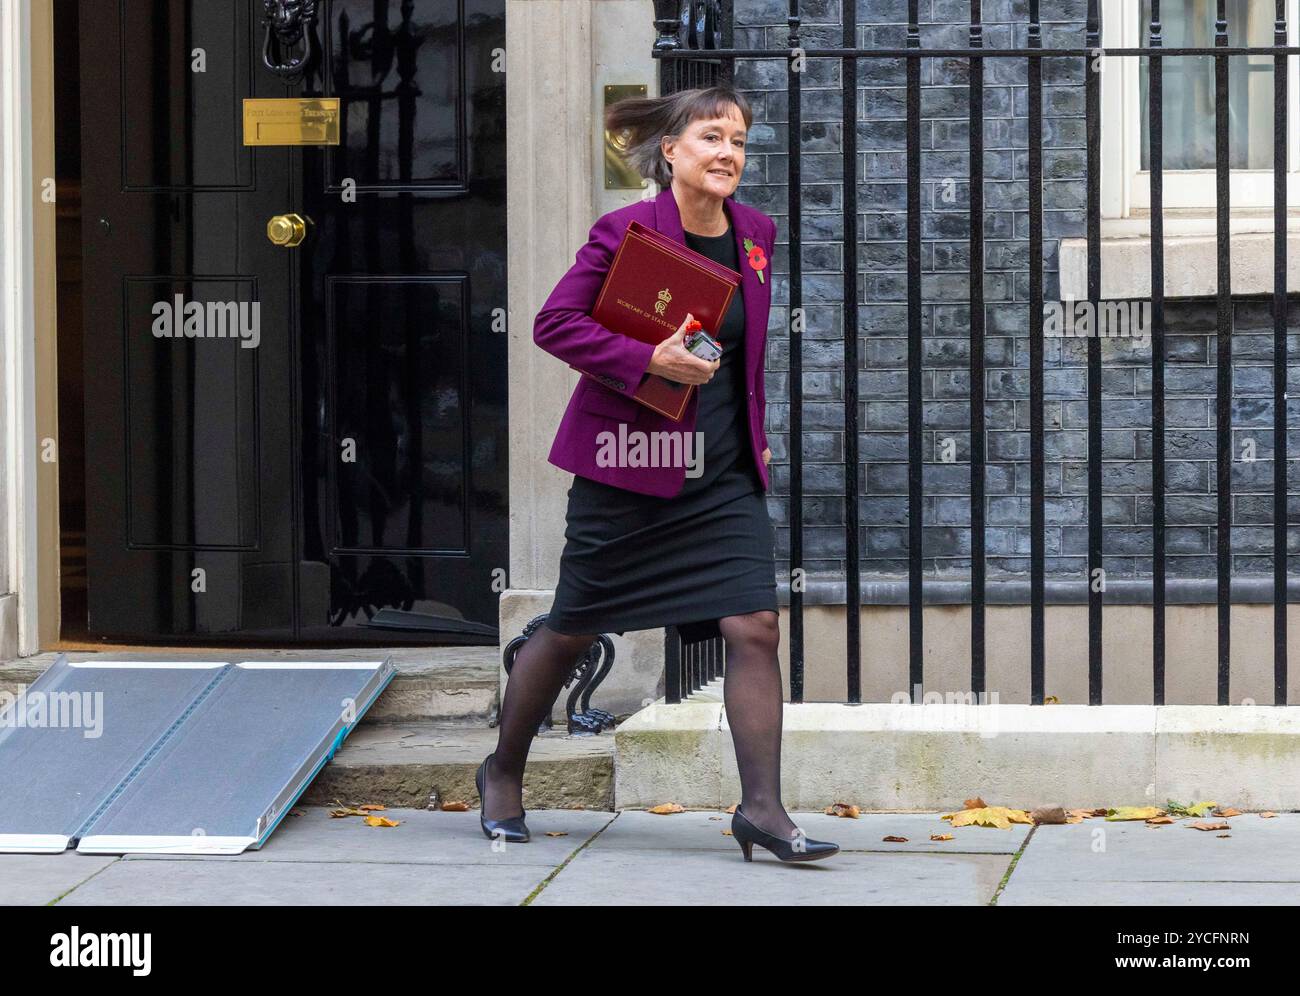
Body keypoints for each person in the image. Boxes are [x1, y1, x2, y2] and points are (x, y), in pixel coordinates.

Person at [476, 85, 838, 863]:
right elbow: (555, 324)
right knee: (574, 625)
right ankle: (503, 769)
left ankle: (763, 810)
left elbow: (742, 357)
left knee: (755, 627)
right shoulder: (626, 231)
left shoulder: (755, 236)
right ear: (670, 151)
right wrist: (648, 359)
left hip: (723, 474)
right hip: (630, 465)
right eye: (711, 136)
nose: (728, 153)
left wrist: (755, 441)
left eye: (738, 139)